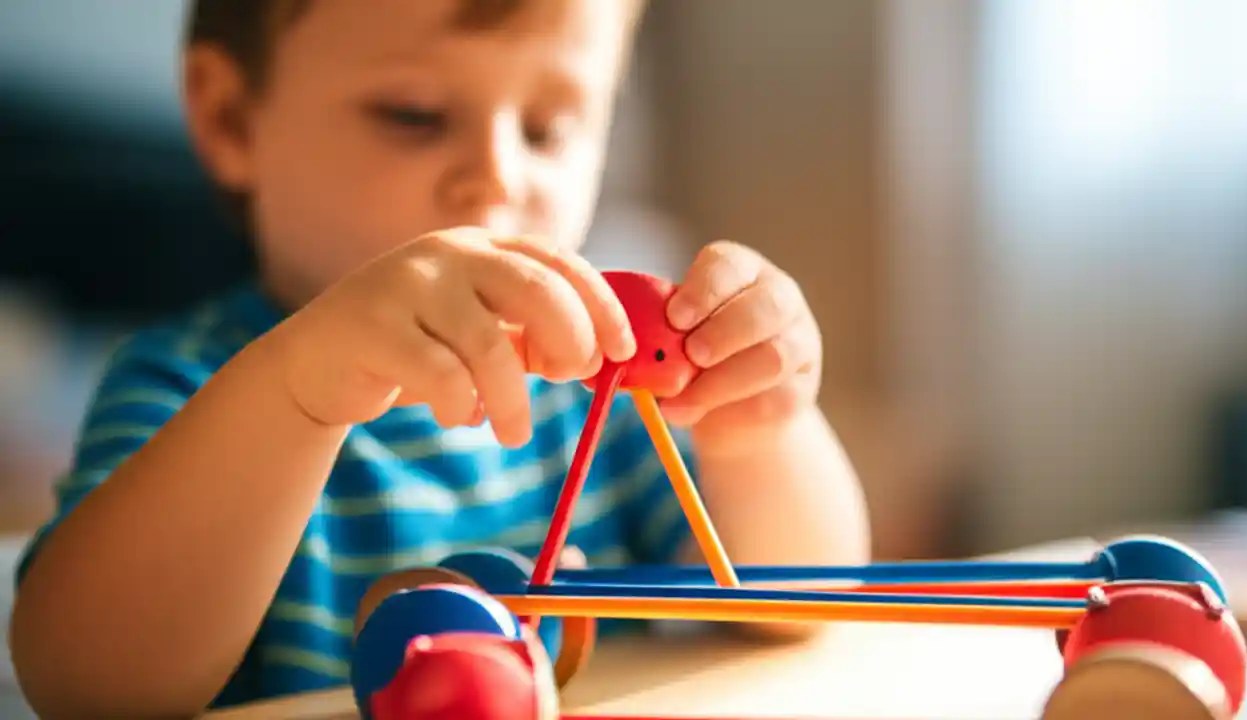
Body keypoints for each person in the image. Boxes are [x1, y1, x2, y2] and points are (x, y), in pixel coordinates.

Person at [8, 1, 870, 717]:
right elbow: (85, 685)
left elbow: (797, 603)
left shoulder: (604, 397)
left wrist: (758, 435)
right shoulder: (186, 385)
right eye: (413, 115)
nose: (495, 179)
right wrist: (300, 396)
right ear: (233, 120)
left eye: (548, 127)